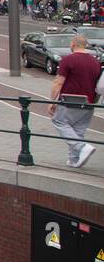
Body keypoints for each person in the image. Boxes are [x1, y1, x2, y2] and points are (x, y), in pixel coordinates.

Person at [48, 34, 101, 169]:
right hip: (89, 102)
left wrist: (52, 101)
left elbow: (58, 82)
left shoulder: (68, 60)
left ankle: (81, 147)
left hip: (69, 100)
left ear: (72, 44)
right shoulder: (95, 62)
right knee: (78, 130)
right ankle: (74, 160)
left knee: (58, 121)